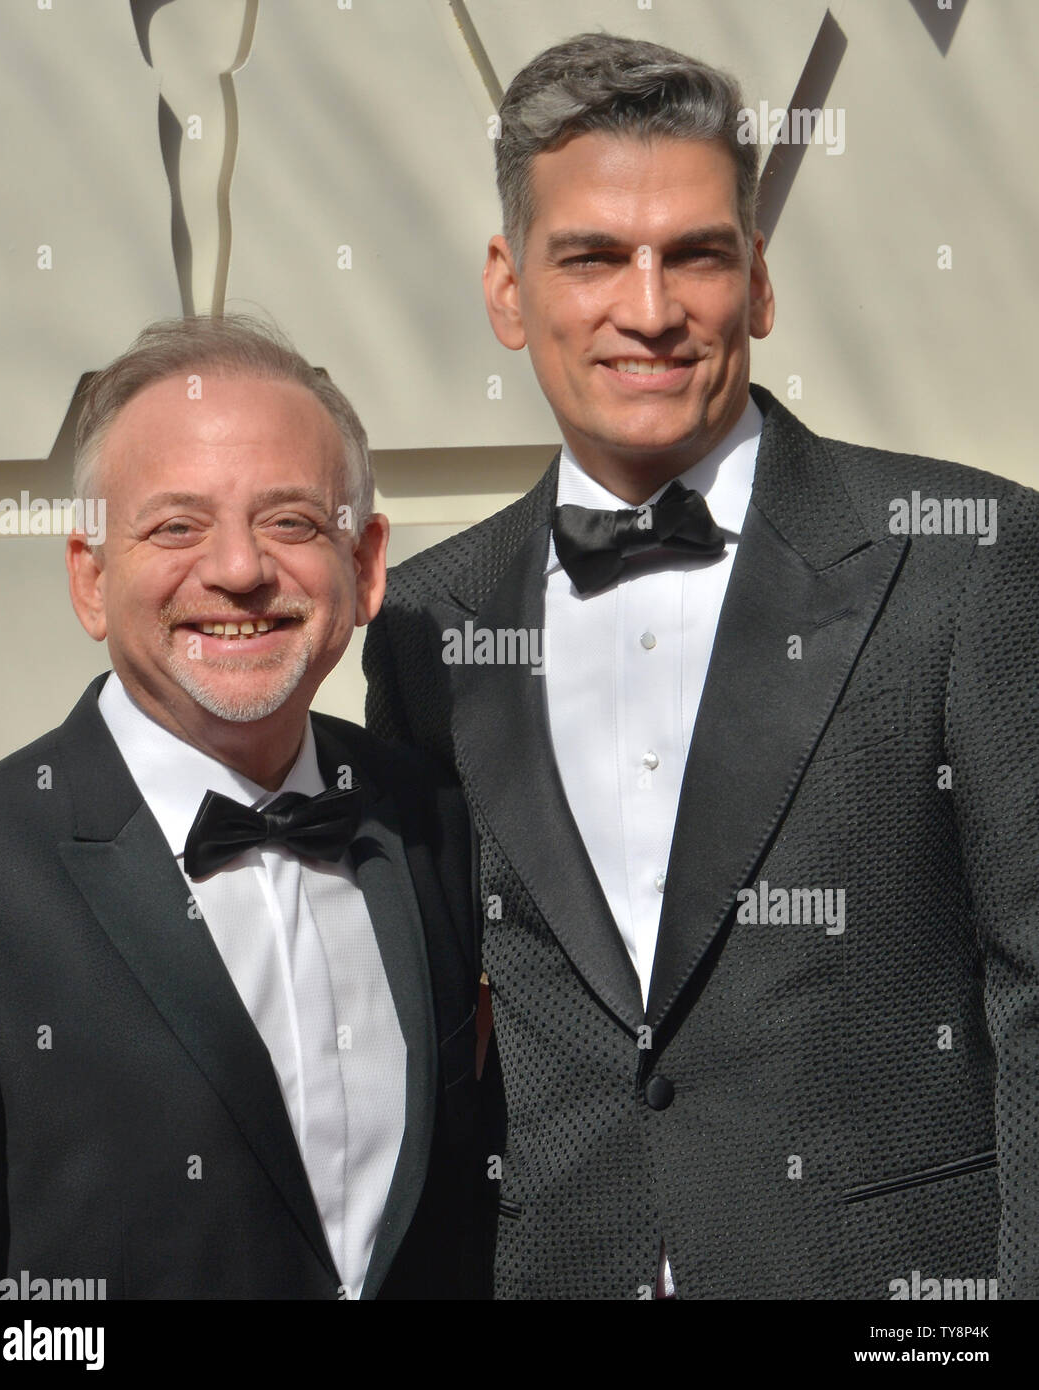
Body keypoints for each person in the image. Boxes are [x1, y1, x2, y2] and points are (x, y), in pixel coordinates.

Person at [363, 33, 1039, 1299]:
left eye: (696, 254)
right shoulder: (422, 622)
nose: (650, 308)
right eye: (592, 258)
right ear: (508, 289)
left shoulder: (967, 560)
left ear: (760, 282)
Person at [0, 315, 484, 1300]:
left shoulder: (438, 824)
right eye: (176, 526)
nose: (239, 570)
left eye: (290, 522)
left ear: (365, 563)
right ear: (90, 579)